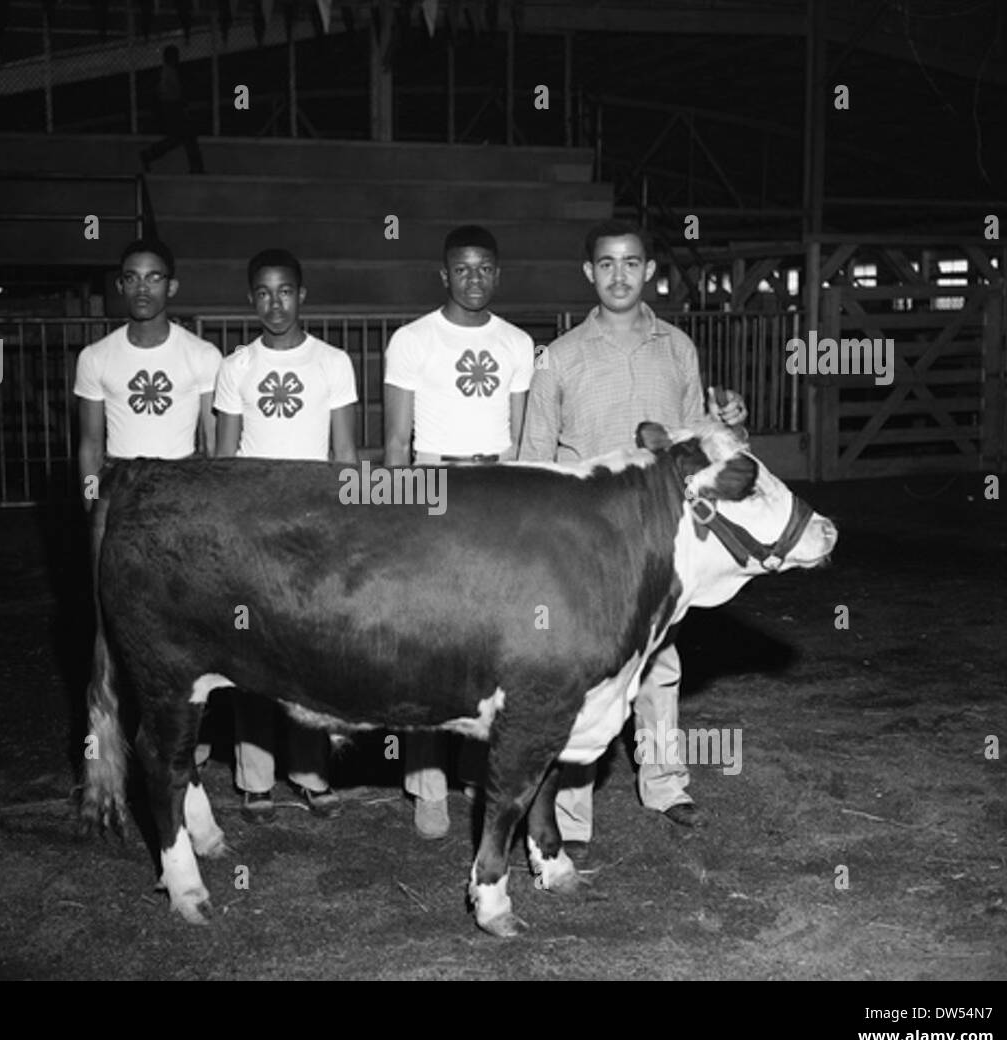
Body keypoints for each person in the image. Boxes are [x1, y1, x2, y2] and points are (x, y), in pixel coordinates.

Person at [519, 220, 747, 859]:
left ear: (650, 271)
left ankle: (667, 782)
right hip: (586, 542)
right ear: (588, 273)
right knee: (583, 674)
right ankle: (569, 809)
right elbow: (535, 460)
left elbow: (695, 437)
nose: (619, 275)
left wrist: (727, 422)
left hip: (656, 536)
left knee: (661, 664)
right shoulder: (559, 357)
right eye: (606, 264)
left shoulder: (677, 348)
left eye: (632, 263)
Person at [383, 225, 535, 839]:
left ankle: (480, 773)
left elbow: (524, 442)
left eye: (485, 268)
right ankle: (426, 785)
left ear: (498, 274)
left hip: (497, 489)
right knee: (431, 645)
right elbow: (395, 441)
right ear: (444, 275)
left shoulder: (519, 343)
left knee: (495, 645)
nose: (474, 278)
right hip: (434, 485)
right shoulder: (412, 340)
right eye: (462, 269)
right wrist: (398, 515)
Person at [213, 248, 358, 823]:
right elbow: (223, 458)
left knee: (307, 653)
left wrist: (348, 523)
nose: (276, 302)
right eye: (264, 292)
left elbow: (345, 454)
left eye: (286, 291)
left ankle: (311, 771)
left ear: (303, 295)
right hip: (252, 527)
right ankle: (255, 778)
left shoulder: (332, 362)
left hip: (313, 525)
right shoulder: (236, 367)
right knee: (251, 653)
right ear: (252, 299)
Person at [76, 237, 222, 792]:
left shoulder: (200, 355)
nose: (143, 288)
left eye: (154, 277)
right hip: (119, 493)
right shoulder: (97, 357)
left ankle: (187, 747)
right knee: (110, 629)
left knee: (187, 625)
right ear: (120, 285)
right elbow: (90, 442)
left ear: (172, 286)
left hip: (180, 492)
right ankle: (110, 755)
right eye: (132, 278)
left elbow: (211, 440)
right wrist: (93, 505)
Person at [140, 45, 206, 175]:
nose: (178, 59)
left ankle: (150, 154)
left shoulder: (169, 72)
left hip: (172, 108)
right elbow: (169, 93)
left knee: (181, 138)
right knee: (183, 137)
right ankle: (196, 168)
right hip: (172, 109)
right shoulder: (168, 73)